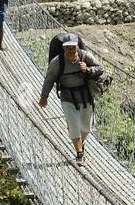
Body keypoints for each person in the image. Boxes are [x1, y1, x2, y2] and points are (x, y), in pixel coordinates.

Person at [38, 36, 103, 166]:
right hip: (67, 96)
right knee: (74, 126)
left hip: (85, 96)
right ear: (64, 48)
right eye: (68, 47)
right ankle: (79, 153)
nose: (71, 50)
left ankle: (81, 143)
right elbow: (49, 79)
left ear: (77, 46)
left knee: (86, 128)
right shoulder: (57, 62)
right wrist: (44, 97)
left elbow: (101, 68)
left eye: (73, 47)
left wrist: (88, 69)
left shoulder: (85, 56)